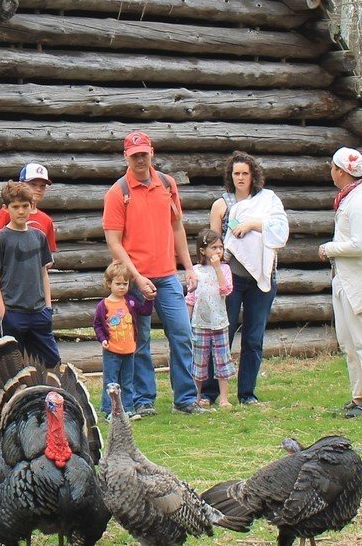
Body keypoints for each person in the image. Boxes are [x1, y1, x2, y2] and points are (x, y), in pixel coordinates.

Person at [102, 130, 204, 416]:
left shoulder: (167, 184)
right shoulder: (117, 192)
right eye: (134, 155)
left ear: (152, 153)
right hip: (134, 281)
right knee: (140, 341)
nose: (140, 160)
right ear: (126, 157)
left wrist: (188, 267)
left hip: (167, 275)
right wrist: (136, 277)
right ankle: (144, 399)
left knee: (182, 334)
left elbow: (176, 227)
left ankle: (185, 399)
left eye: (144, 154)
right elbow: (113, 242)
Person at [203, 151, 289, 407]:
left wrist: (252, 224)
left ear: (253, 176)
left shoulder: (267, 201)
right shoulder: (221, 205)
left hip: (262, 278)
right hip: (232, 279)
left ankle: (247, 392)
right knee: (222, 333)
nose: (240, 178)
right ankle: (210, 391)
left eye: (245, 173)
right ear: (230, 176)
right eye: (236, 173)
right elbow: (213, 244)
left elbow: (280, 229)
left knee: (253, 337)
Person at [320, 147, 362, 418]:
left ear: (341, 172)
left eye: (333, 168)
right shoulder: (349, 198)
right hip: (345, 278)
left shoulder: (361, 201)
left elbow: (359, 245)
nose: (331, 172)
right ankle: (357, 395)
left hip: (360, 281)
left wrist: (329, 248)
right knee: (348, 342)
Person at [0, 180, 58, 367]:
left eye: (25, 206)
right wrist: (4, 315)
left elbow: (44, 274)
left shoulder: (39, 236)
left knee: (52, 364)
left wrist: (48, 308)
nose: (21, 211)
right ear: (6, 209)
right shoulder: (0, 238)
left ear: (31, 205)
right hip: (13, 313)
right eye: (15, 207)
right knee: (14, 368)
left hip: (39, 313)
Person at [93, 260, 152, 419]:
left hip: (129, 350)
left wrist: (149, 298)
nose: (122, 287)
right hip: (112, 350)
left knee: (127, 381)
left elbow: (145, 311)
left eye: (125, 284)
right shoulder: (104, 305)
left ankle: (128, 409)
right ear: (109, 284)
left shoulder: (130, 302)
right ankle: (109, 411)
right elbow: (97, 325)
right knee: (111, 381)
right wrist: (102, 339)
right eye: (118, 284)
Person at [188, 230, 236, 408]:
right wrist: (187, 322)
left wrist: (217, 268)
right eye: (214, 247)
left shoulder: (225, 269)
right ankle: (195, 397)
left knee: (222, 360)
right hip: (199, 324)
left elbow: (226, 290)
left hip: (220, 323)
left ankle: (224, 398)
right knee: (199, 362)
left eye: (220, 247)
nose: (218, 251)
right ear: (203, 250)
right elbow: (190, 298)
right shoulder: (195, 271)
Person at [0, 163, 57, 254]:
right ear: (21, 184)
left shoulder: (47, 220)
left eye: (42, 186)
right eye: (33, 184)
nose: (38, 189)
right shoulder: (8, 212)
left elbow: (49, 254)